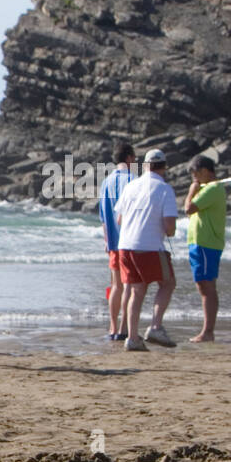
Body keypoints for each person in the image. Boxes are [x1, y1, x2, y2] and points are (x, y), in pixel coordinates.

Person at [115, 149, 178, 352]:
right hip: (149, 245)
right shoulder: (164, 189)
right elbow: (169, 227)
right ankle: (156, 326)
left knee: (136, 290)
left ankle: (132, 337)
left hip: (125, 245)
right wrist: (169, 230)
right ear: (164, 167)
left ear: (145, 166)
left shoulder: (131, 186)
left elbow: (119, 219)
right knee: (167, 283)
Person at [184, 155, 227, 343]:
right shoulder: (208, 188)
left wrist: (192, 191)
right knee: (203, 284)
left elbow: (189, 208)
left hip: (207, 243)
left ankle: (208, 331)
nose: (194, 177)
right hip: (199, 243)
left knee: (207, 286)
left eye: (195, 173)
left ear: (205, 171)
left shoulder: (214, 188)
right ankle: (207, 330)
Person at [99, 142, 136, 340]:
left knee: (115, 285)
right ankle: (123, 328)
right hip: (129, 239)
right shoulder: (133, 180)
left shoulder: (106, 181)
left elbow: (103, 216)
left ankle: (112, 327)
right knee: (129, 285)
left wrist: (107, 240)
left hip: (112, 240)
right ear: (129, 158)